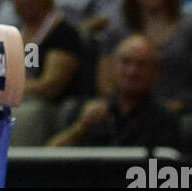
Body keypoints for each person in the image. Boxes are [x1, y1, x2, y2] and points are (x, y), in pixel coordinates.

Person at [47, 34, 180, 150]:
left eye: (141, 64)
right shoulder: (83, 110)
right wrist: (80, 127)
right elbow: (49, 156)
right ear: (112, 67)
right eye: (125, 62)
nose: (132, 71)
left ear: (155, 73)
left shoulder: (164, 120)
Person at [4, 0, 84, 146]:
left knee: (21, 116)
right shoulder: (16, 33)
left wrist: (3, 87)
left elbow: (50, 86)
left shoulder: (63, 33)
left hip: (50, 110)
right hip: (19, 101)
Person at [96, 0, 192, 113]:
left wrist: (178, 106)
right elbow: (106, 81)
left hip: (178, 113)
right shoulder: (118, 29)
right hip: (126, 112)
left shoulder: (189, 27)